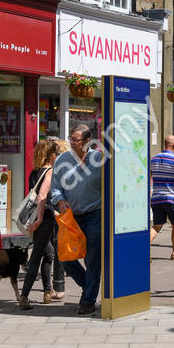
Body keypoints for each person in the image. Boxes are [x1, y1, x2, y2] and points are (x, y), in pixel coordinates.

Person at [50, 122, 105, 315]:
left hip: (94, 216)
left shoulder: (99, 160)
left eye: (76, 140)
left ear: (88, 141)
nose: (72, 143)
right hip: (70, 217)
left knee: (92, 260)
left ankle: (88, 301)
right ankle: (88, 284)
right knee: (66, 258)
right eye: (71, 139)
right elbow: (55, 187)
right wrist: (60, 200)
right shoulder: (63, 160)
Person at [17, 138, 66, 309]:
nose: (57, 157)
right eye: (56, 154)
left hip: (38, 217)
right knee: (36, 257)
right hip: (44, 218)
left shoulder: (34, 172)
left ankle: (48, 291)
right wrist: (38, 220)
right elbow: (41, 196)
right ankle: (23, 296)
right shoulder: (50, 172)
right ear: (51, 156)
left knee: (49, 253)